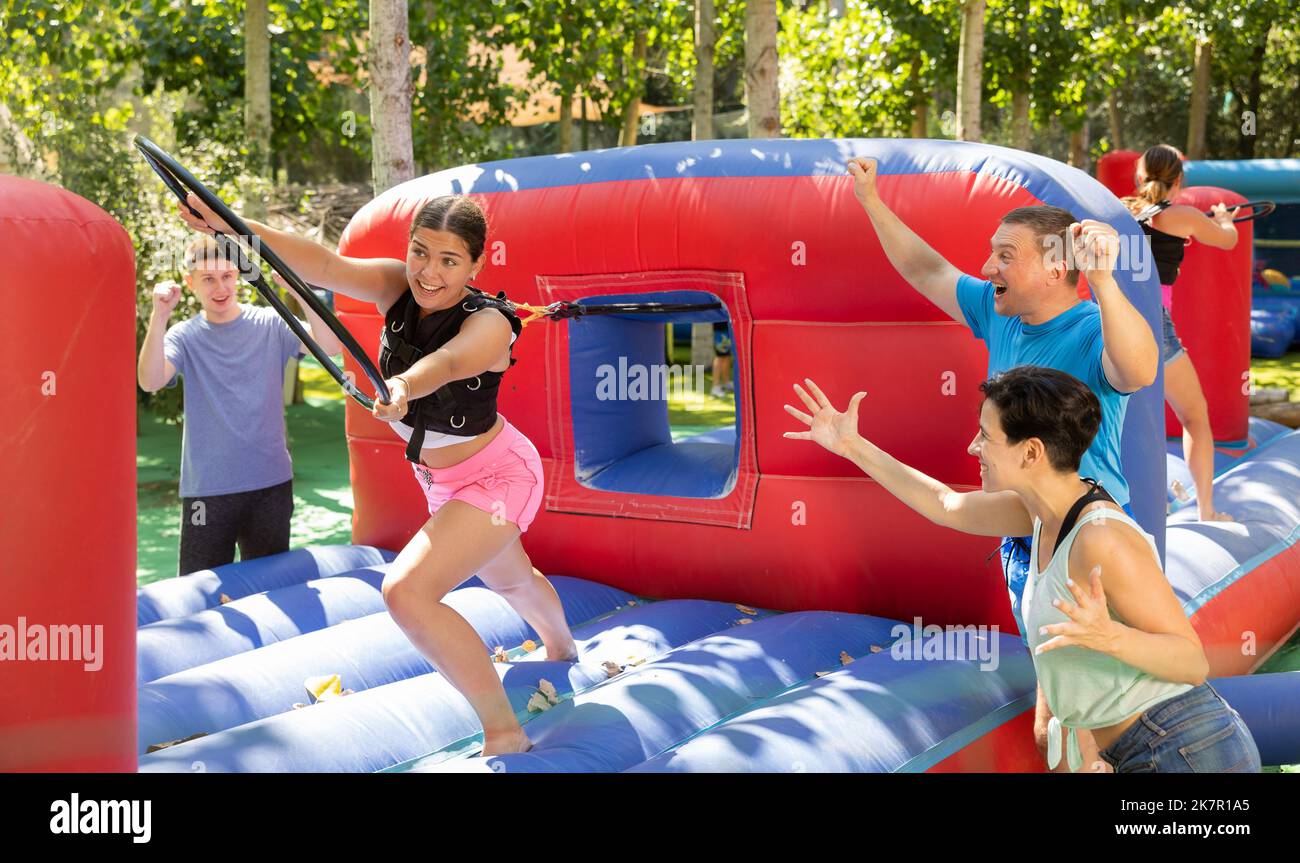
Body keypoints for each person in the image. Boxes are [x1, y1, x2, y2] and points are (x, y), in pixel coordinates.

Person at [175, 191, 577, 756]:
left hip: (500, 477)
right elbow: (319, 265)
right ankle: (562, 647)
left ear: (477, 266)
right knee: (510, 580)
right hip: (443, 482)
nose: (428, 272)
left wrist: (406, 385)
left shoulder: (491, 323)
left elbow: (452, 363)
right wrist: (231, 224)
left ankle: (505, 732)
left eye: (448, 260)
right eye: (419, 253)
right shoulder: (396, 284)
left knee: (406, 592)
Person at [782, 366, 1260, 773]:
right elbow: (945, 505)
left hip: (1187, 746)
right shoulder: (1037, 513)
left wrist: (1110, 637)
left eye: (985, 436)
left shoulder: (1100, 539)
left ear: (1030, 452)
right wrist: (853, 447)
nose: (973, 448)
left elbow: (1191, 662)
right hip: (1143, 748)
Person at [846, 155, 1159, 770]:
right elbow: (926, 268)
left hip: (1081, 544)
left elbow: (1141, 370)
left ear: (1055, 267)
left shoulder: (1096, 329)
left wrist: (1106, 280)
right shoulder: (1001, 311)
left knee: (1077, 734)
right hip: (1029, 538)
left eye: (1005, 255)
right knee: (1063, 734)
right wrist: (870, 201)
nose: (988, 267)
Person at [138, 235, 344, 575]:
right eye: (208, 279)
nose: (220, 287)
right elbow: (150, 380)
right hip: (207, 491)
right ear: (191, 284)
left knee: (267, 588)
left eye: (227, 276)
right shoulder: (183, 336)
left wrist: (299, 292)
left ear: (238, 275)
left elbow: (331, 346)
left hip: (271, 485)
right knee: (198, 587)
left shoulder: (271, 323)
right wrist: (159, 316)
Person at [1124, 144, 1240, 522]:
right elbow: (1228, 240)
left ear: (1140, 178)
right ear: (1179, 181)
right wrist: (1224, 218)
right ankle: (1206, 509)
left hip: (1112, 321)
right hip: (1154, 328)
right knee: (1194, 415)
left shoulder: (1120, 210)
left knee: (1123, 421)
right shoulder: (1183, 215)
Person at [710, 321, 734, 399]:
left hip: (728, 326)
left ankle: (726, 382)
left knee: (727, 356)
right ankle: (715, 386)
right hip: (720, 327)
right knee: (720, 356)